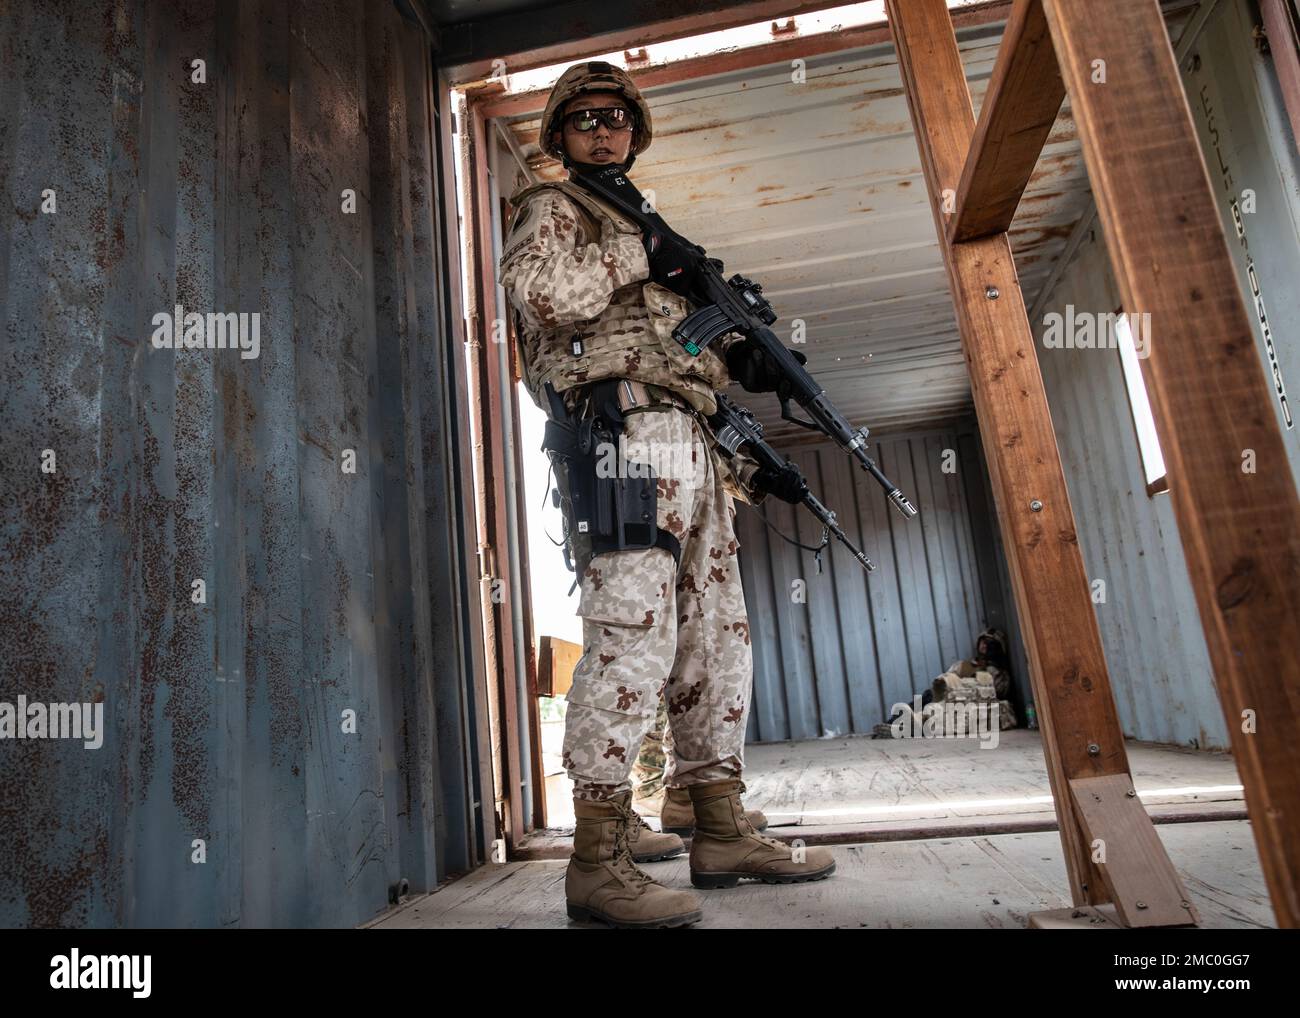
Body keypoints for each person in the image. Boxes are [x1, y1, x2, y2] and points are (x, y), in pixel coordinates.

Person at [499, 61, 835, 929]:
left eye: (616, 119)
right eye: (584, 120)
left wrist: (739, 355)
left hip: (688, 441)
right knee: (632, 634)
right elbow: (544, 296)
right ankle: (597, 859)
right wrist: (639, 252)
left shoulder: (643, 226)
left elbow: (672, 348)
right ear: (561, 136)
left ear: (635, 131)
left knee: (716, 640)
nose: (603, 132)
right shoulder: (558, 210)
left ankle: (715, 821)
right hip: (621, 437)